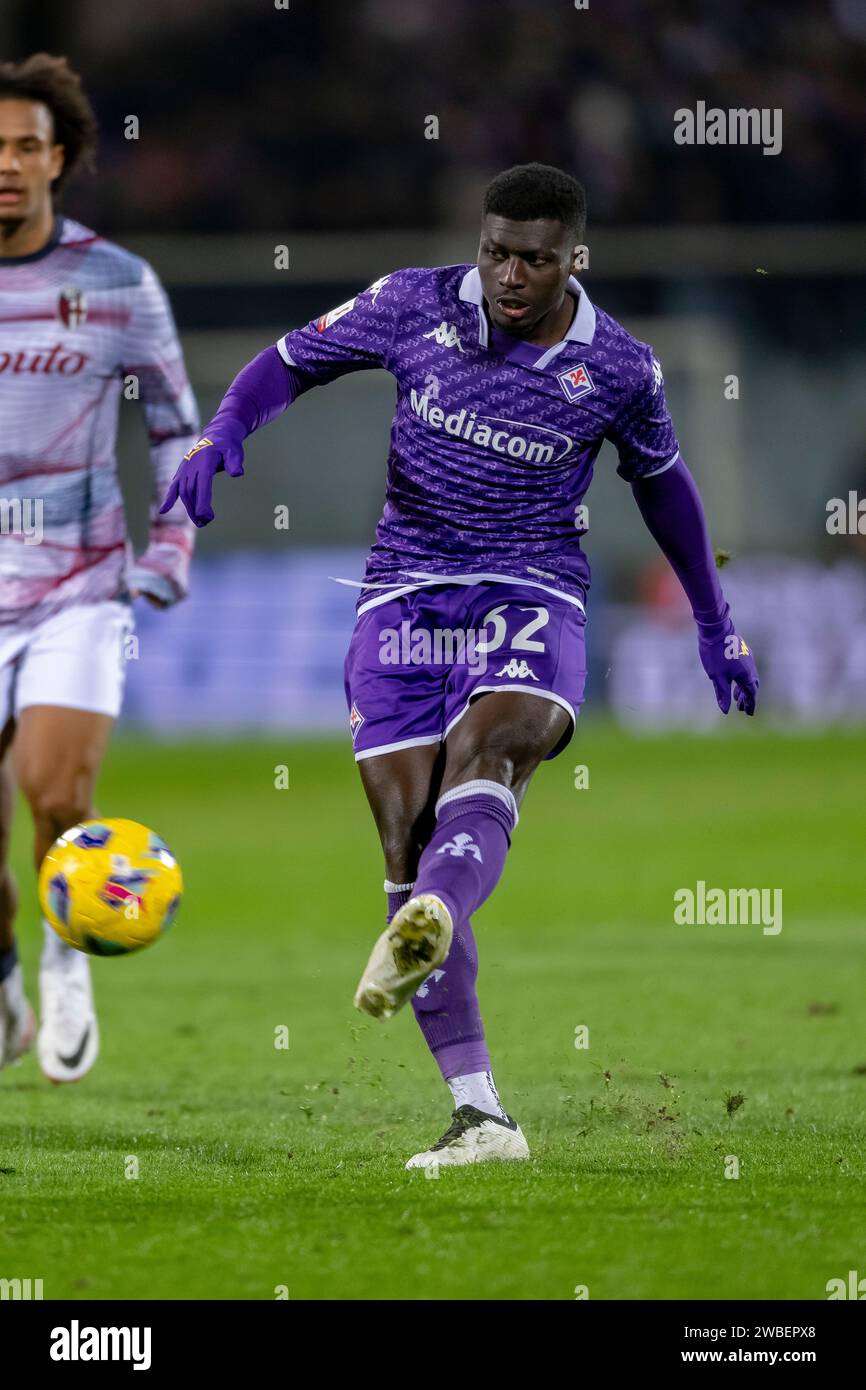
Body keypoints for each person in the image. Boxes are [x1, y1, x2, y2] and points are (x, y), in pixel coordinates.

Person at [162, 162, 758, 1167]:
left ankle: (438, 906)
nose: (507, 274)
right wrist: (226, 428)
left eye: (531, 258)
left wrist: (712, 620)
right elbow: (289, 360)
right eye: (494, 251)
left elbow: (664, 488)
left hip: (531, 589)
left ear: (574, 257)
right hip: (403, 593)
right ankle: (481, 1115)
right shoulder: (411, 303)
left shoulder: (617, 368)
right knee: (405, 840)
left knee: (490, 754)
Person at [0, 54, 198, 1081]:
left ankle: (66, 955)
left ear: (61, 158)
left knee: (55, 791)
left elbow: (176, 427)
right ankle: (5, 977)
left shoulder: (115, 281)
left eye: (26, 145)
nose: (7, 164)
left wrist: (170, 542)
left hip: (76, 584)